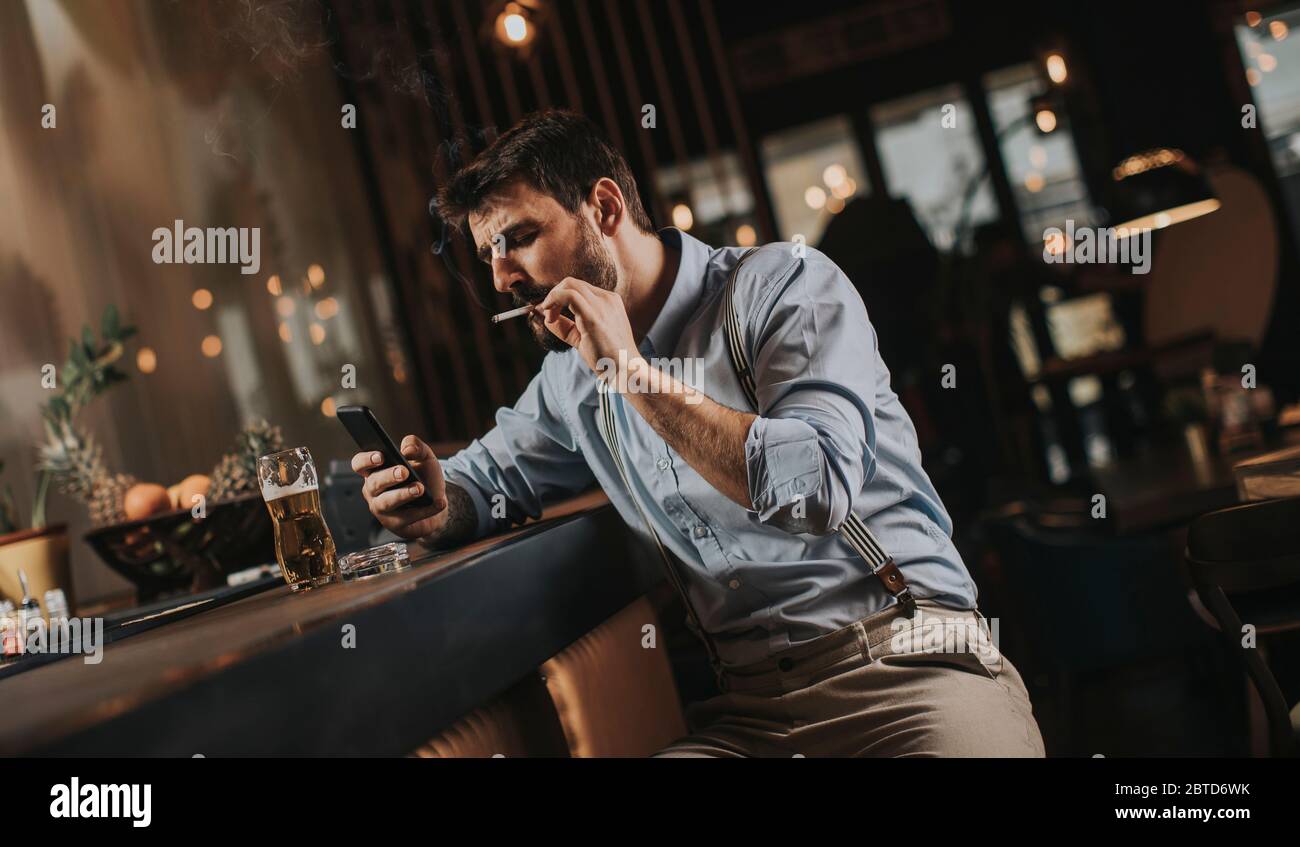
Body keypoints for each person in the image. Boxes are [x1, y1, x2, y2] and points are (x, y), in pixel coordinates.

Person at [351, 109, 1045, 757]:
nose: (502, 276)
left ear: (604, 207)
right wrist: (438, 502)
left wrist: (631, 372)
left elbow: (819, 485)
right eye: (488, 255)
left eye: (518, 239)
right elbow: (486, 480)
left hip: (912, 665)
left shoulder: (783, 288)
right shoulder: (571, 378)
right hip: (751, 715)